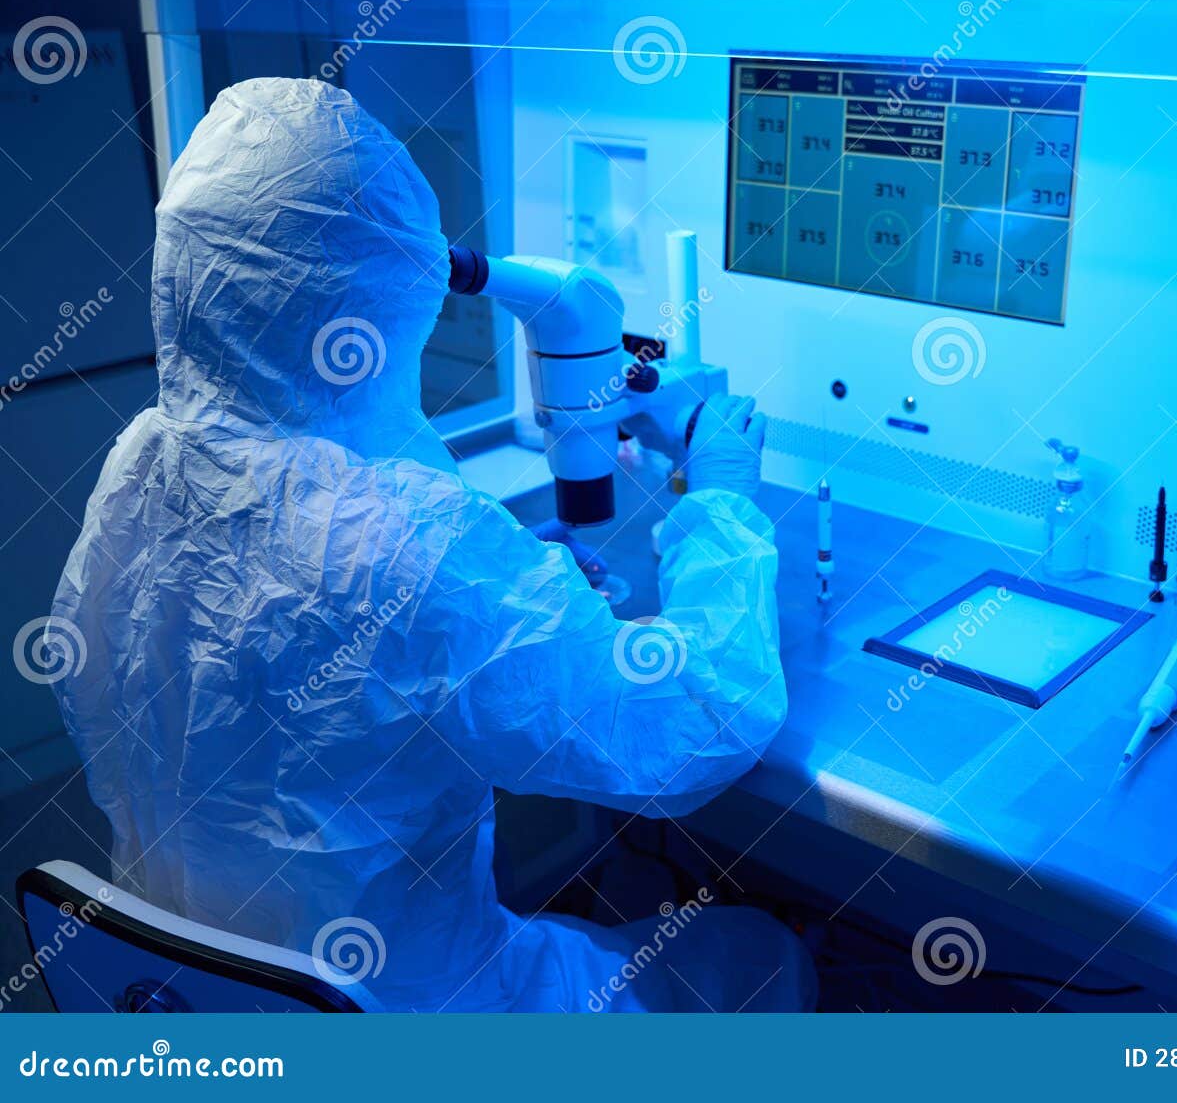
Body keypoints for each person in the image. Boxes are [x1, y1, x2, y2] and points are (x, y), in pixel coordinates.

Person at [50, 77, 814, 1012]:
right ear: (389, 294)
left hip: (189, 999)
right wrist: (725, 503)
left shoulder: (140, 463)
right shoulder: (405, 541)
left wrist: (491, 606)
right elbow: (694, 728)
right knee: (760, 957)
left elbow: (183, 673)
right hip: (425, 1020)